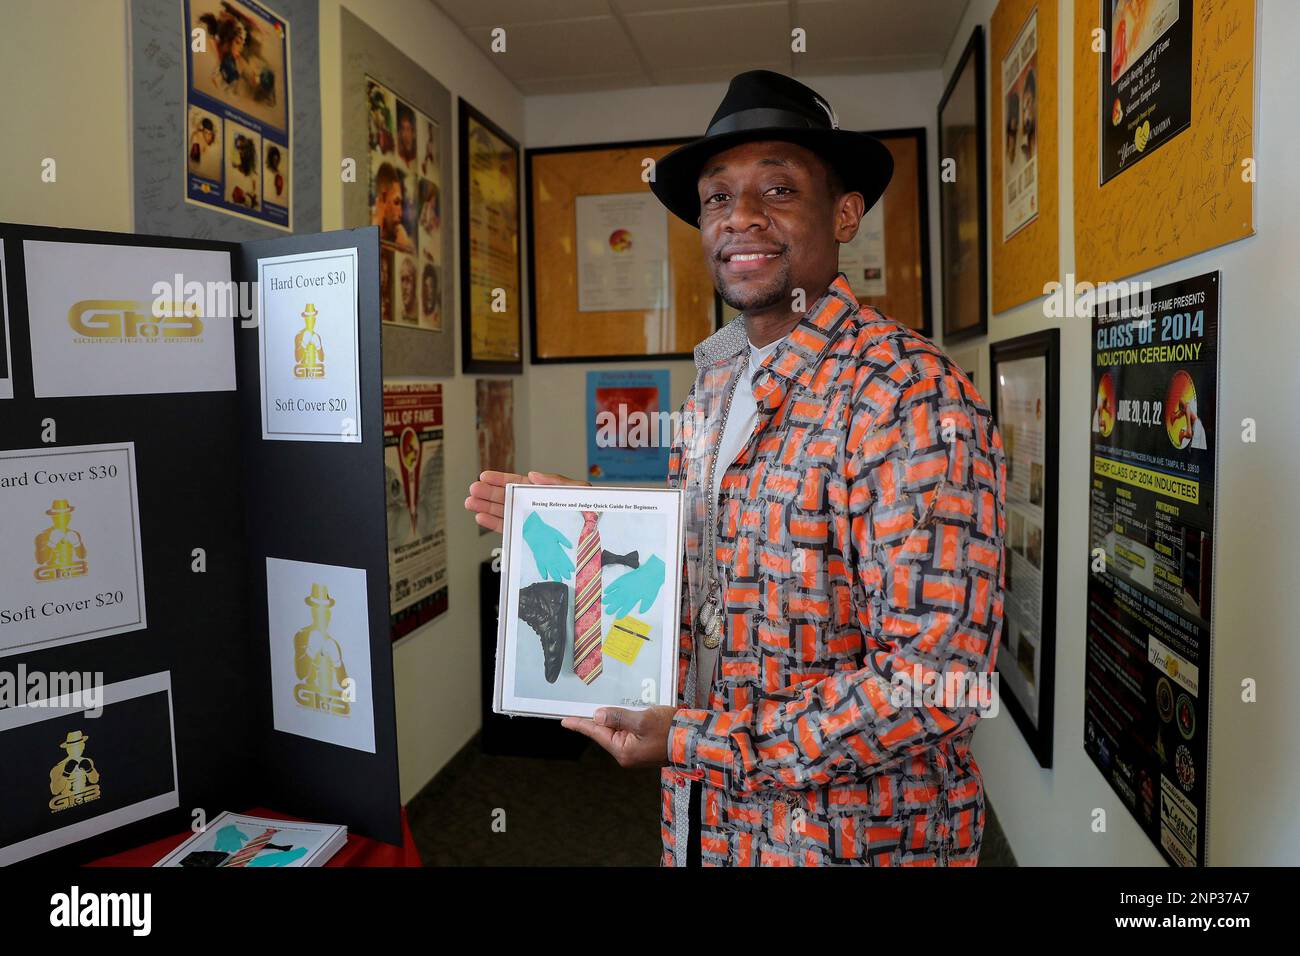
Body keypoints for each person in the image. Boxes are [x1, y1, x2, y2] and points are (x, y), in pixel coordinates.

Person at [466, 70, 1006, 867]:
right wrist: (587, 518)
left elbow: (935, 683)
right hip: (709, 825)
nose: (741, 217)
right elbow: (732, 540)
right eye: (718, 198)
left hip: (852, 842)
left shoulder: (909, 394)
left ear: (846, 213)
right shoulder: (721, 376)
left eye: (779, 189)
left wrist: (696, 738)